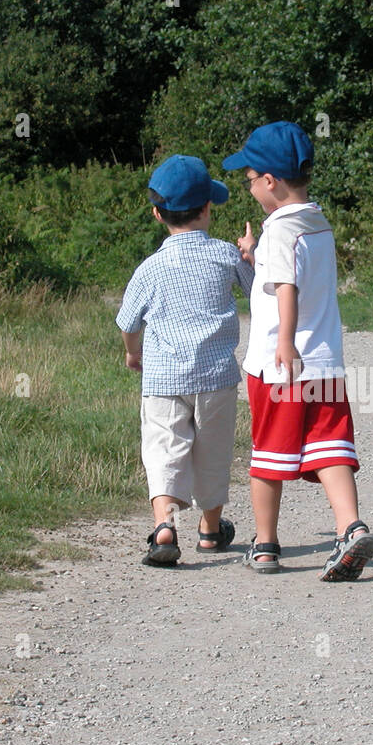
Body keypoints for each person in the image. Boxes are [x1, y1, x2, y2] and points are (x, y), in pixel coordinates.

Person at [222, 121, 373, 581]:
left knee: (268, 454)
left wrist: (285, 341)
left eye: (249, 179)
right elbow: (295, 273)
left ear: (269, 181)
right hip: (325, 362)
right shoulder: (317, 222)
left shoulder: (277, 232)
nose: (249, 187)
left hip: (280, 364)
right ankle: (351, 527)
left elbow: (286, 286)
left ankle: (266, 545)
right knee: (330, 447)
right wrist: (255, 255)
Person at [116, 154, 255, 566]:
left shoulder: (150, 268)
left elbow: (128, 321)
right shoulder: (226, 256)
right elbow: (258, 291)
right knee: (213, 453)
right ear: (209, 208)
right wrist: (251, 255)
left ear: (157, 213)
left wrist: (132, 350)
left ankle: (164, 529)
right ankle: (211, 531)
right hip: (215, 378)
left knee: (163, 450)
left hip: (162, 379)